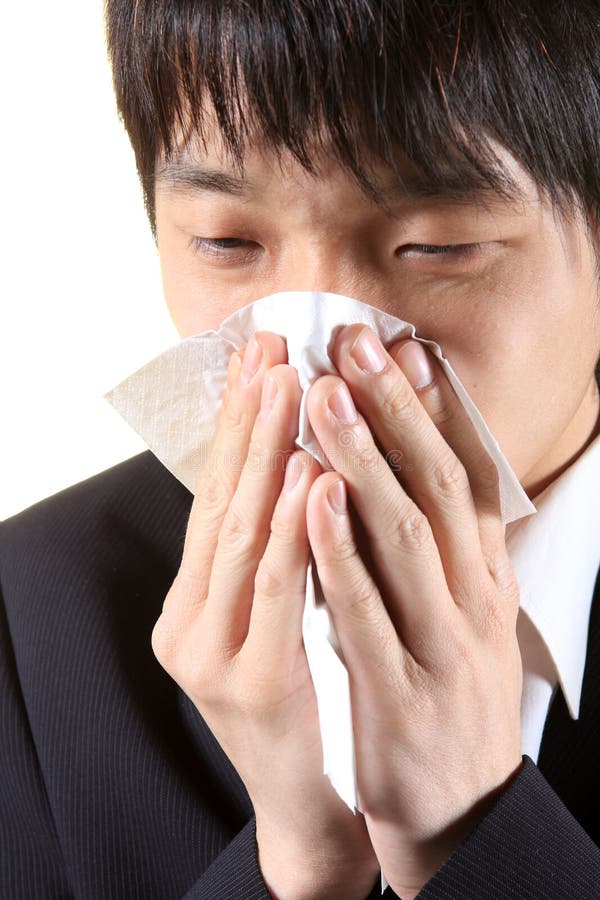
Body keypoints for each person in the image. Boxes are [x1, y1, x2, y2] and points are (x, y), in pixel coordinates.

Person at [1, 1, 599, 897]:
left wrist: (475, 827)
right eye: (227, 241)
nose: (319, 359)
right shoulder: (32, 619)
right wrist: (302, 863)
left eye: (436, 246)